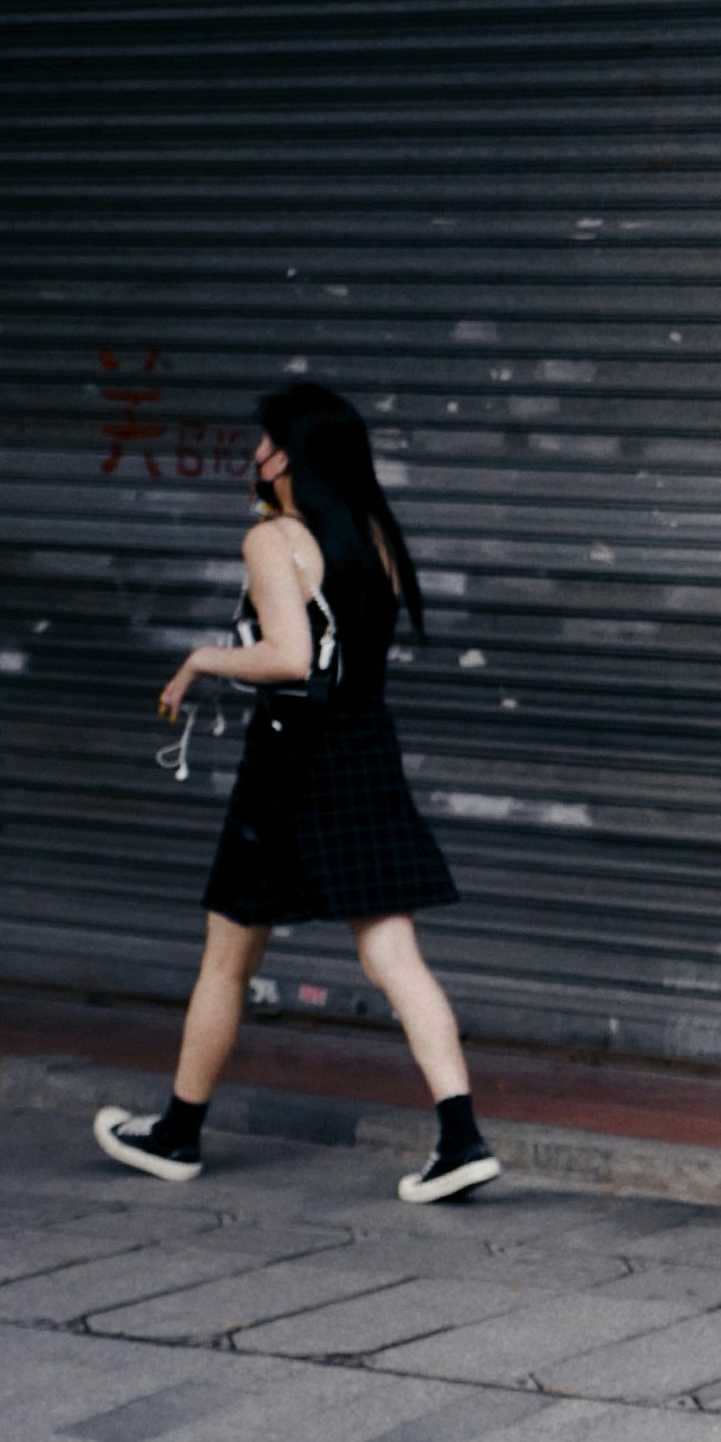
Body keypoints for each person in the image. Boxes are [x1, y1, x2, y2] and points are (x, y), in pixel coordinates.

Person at [94, 378, 499, 1205]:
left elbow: (286, 656)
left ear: (287, 454)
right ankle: (460, 1136)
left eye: (264, 439)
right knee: (392, 950)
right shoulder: (376, 533)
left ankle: (177, 1132)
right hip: (364, 753)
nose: (253, 453)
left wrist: (204, 657)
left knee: (227, 959)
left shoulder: (274, 540)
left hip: (287, 765)